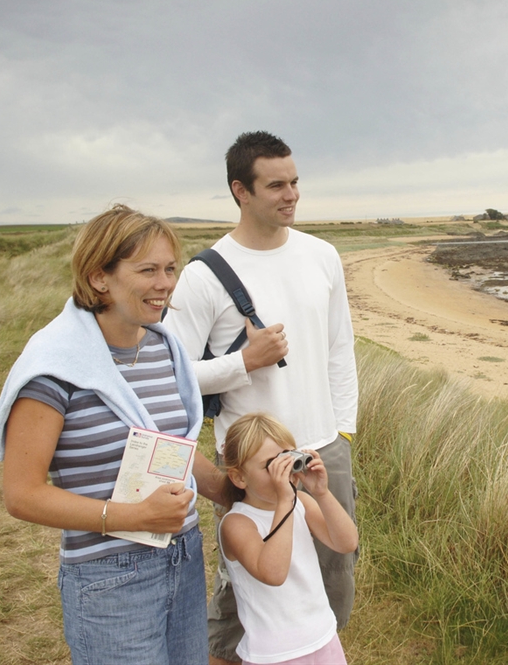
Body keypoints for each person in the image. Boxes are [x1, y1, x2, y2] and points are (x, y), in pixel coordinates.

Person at [0, 204, 227, 665]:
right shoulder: (55, 367)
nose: (165, 283)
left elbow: (170, 447)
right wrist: (134, 517)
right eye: (148, 270)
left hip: (184, 557)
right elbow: (21, 495)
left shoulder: (164, 348)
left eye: (171, 269)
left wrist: (236, 490)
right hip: (109, 579)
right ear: (100, 277)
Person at [164, 131, 359, 665]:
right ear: (240, 191)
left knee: (334, 574)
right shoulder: (203, 276)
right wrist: (243, 363)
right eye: (276, 185)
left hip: (322, 448)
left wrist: (343, 432)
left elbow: (340, 349)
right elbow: (172, 375)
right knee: (244, 591)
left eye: (294, 182)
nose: (291, 194)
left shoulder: (322, 255)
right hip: (251, 461)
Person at [219, 413, 359, 665]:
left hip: (323, 637)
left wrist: (321, 493)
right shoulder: (237, 523)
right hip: (275, 654)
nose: (284, 470)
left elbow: (347, 543)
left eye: (288, 457)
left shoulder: (301, 502)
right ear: (239, 477)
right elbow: (273, 573)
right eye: (271, 465)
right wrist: (285, 500)